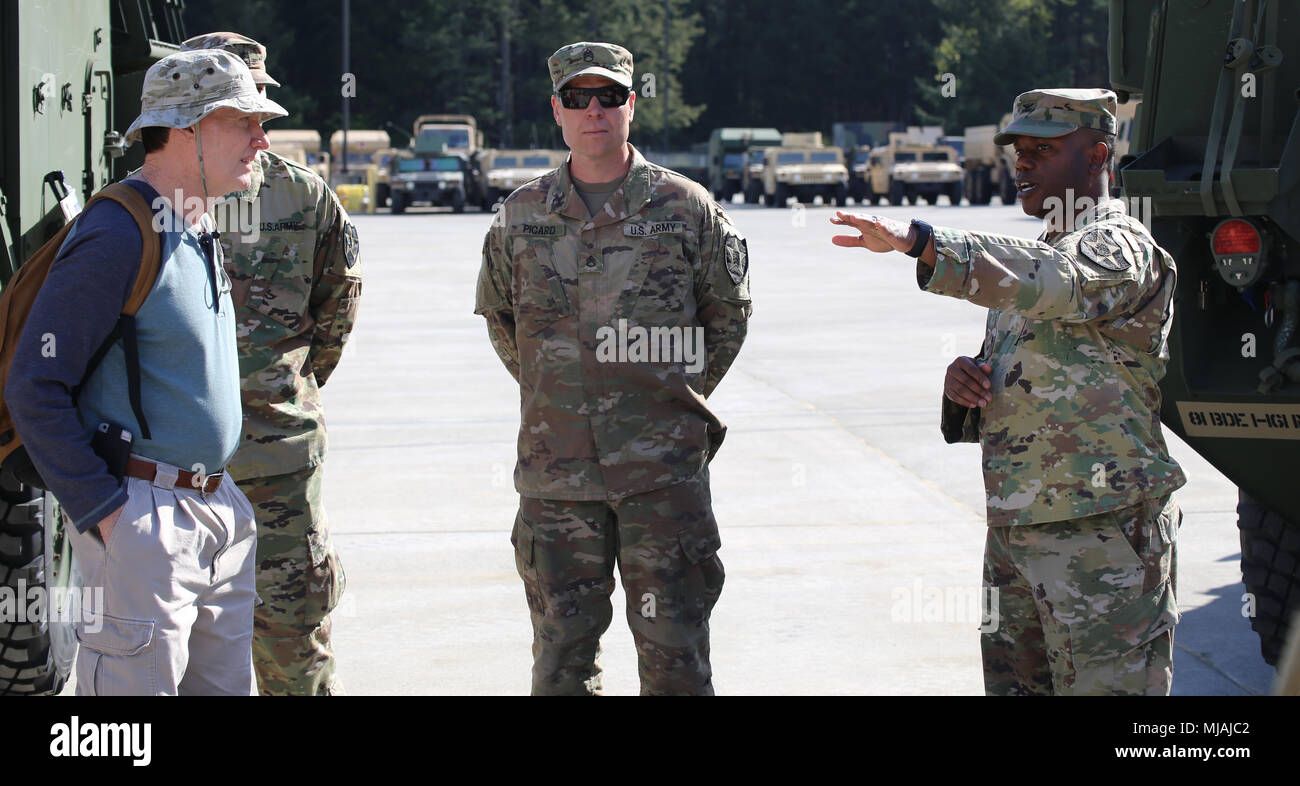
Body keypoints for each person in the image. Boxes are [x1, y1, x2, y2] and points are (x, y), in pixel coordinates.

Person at [829, 88, 1186, 696]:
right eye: (1018, 149)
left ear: (1098, 154)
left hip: (1101, 534)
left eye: (1042, 149)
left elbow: (1059, 284)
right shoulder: (1041, 253)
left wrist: (922, 241)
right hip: (1020, 527)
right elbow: (1039, 361)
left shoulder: (1119, 245)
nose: (1021, 163)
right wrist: (967, 379)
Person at [5, 50, 287, 695]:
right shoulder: (118, 232)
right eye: (243, 120)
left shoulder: (195, 219)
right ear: (187, 129)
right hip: (146, 516)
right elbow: (35, 385)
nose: (260, 139)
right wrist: (108, 514)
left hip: (215, 508)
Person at [475, 41, 752, 695]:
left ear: (631, 103)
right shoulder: (520, 216)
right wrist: (561, 393)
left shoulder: (686, 209)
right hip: (557, 481)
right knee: (560, 663)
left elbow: (727, 318)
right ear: (557, 109)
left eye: (608, 97)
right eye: (577, 98)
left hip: (661, 482)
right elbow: (502, 322)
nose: (593, 110)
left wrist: (666, 400)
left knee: (676, 662)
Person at [183, 32, 360, 697]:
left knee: (294, 634)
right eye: (237, 101)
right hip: (173, 466)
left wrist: (278, 394)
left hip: (278, 461)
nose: (254, 115)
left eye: (260, 98)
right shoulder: (150, 199)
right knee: (182, 645)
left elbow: (335, 313)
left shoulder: (306, 198)